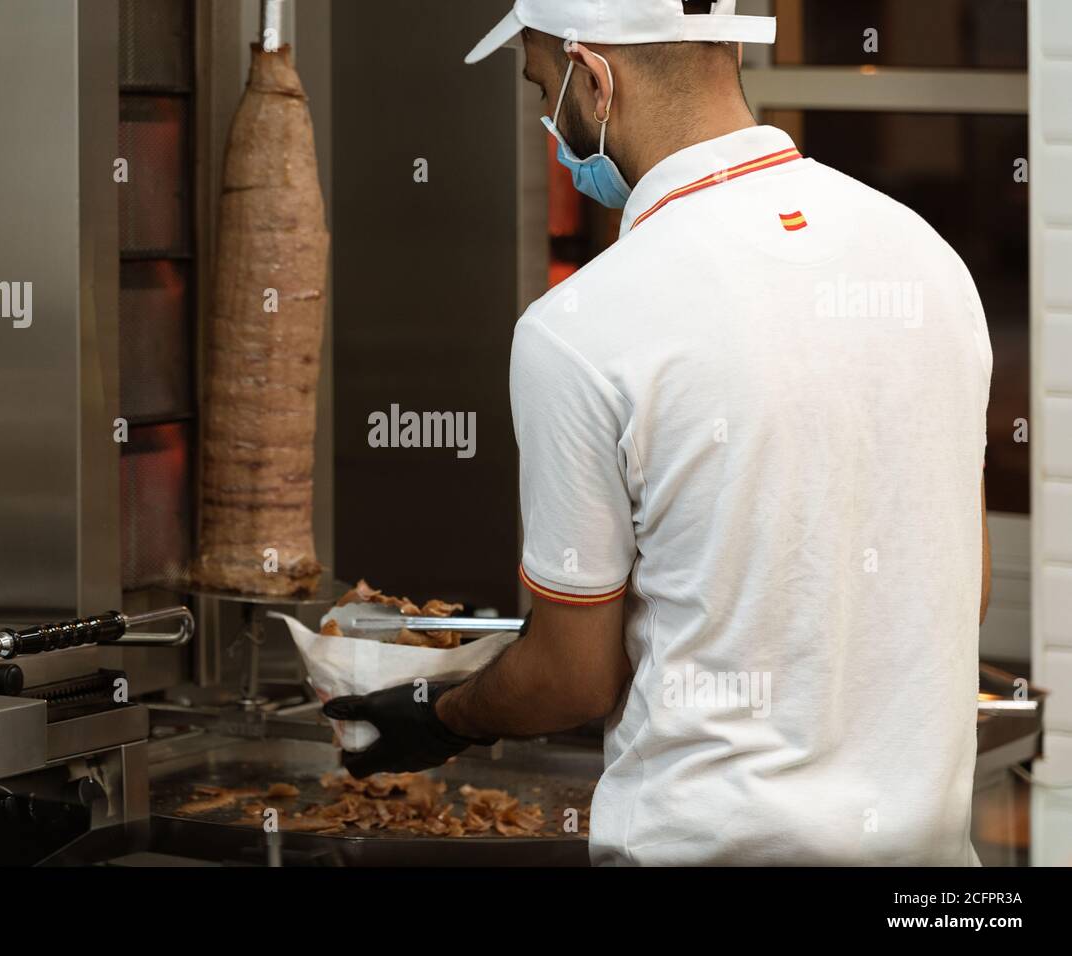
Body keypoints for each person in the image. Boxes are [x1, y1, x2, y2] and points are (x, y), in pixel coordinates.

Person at [324, 0, 992, 866]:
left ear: (593, 78)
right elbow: (958, 588)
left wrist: (442, 715)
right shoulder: (927, 260)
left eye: (541, 84)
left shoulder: (580, 326)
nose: (547, 126)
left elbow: (572, 677)